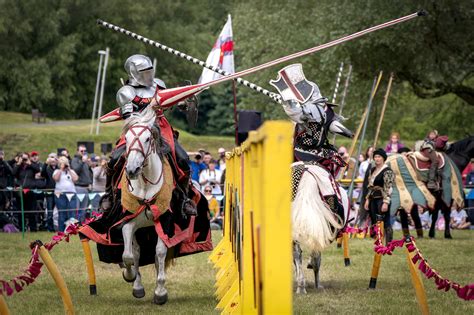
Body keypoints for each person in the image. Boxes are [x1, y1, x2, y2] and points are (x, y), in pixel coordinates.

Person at [102, 54, 198, 217]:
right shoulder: (127, 92)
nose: (147, 74)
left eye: (149, 70)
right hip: (137, 129)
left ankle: (183, 199)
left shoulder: (158, 85)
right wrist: (147, 108)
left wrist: (181, 103)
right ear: (134, 72)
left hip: (161, 127)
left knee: (182, 158)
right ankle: (109, 196)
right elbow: (128, 116)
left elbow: (169, 103)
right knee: (114, 159)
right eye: (143, 71)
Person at [363, 148, 395, 244]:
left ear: (383, 158)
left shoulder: (388, 171)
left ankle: (388, 243)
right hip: (373, 198)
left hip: (382, 198)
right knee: (374, 220)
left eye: (379, 157)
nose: (377, 159)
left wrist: (386, 202)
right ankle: (377, 241)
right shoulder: (372, 170)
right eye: (375, 157)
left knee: (385, 220)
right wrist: (367, 200)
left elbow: (388, 187)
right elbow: (370, 186)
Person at [12, 152, 41, 231]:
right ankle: (22, 228)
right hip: (21, 191)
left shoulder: (32, 165)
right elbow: (13, 173)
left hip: (30, 190)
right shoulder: (18, 166)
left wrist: (30, 163)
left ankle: (33, 228)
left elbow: (38, 170)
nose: (24, 160)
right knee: (21, 210)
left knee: (32, 210)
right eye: (23, 158)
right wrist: (19, 163)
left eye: (26, 158)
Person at [53, 156, 79, 232]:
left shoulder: (71, 171)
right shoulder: (57, 171)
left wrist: (69, 169)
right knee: (62, 213)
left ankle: (72, 230)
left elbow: (75, 179)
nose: (64, 165)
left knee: (72, 213)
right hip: (59, 194)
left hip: (72, 194)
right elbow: (56, 178)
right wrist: (61, 169)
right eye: (63, 163)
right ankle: (61, 231)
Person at [71, 145, 92, 222]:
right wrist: (82, 162)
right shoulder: (75, 160)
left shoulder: (85, 161)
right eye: (81, 151)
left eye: (85, 151)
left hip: (86, 187)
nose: (83, 152)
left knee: (84, 209)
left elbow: (88, 174)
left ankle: (82, 225)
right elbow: (75, 171)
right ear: (77, 151)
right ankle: (76, 225)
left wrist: (89, 165)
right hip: (79, 187)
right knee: (77, 208)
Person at [41, 153, 59, 231]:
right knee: (50, 212)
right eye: (51, 158)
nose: (53, 160)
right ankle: (50, 228)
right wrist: (45, 163)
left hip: (59, 192)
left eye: (54, 158)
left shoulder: (59, 168)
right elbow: (42, 174)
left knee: (61, 211)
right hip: (49, 192)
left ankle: (61, 228)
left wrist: (59, 162)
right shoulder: (47, 168)